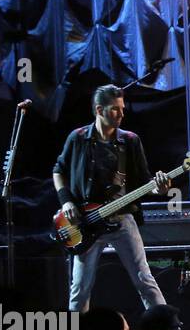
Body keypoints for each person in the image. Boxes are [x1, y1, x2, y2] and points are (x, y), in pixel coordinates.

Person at [53, 84, 170, 312]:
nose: (121, 114)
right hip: (85, 223)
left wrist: (161, 189)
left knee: (144, 279)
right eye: (115, 109)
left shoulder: (130, 141)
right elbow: (58, 171)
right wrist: (66, 201)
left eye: (122, 108)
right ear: (99, 110)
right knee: (80, 288)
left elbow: (146, 184)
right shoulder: (77, 138)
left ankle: (165, 328)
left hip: (122, 219)